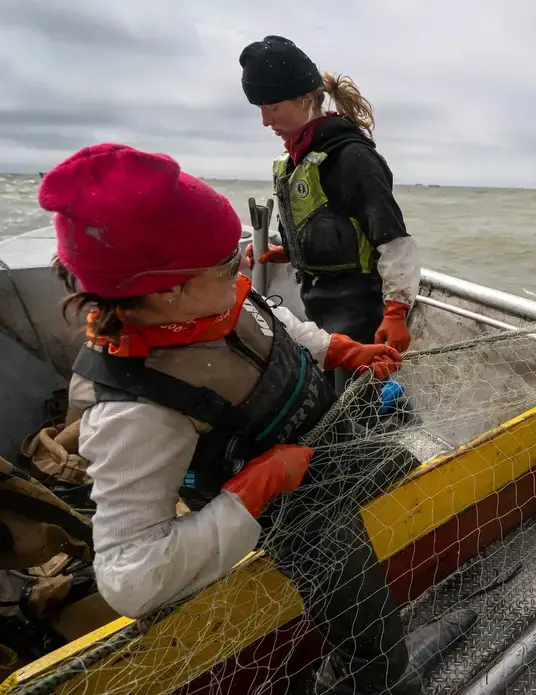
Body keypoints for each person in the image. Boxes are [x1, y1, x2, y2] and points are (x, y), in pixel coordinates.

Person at [38, 143, 471, 694]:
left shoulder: (214, 301)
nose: (243, 266)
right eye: (226, 263)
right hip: (285, 511)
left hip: (321, 442)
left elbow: (271, 322)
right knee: (371, 638)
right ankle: (362, 676)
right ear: (168, 290)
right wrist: (256, 486)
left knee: (400, 460)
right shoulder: (137, 413)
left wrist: (337, 347)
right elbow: (130, 575)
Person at [239, 35, 419, 393]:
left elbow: (395, 241)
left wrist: (396, 312)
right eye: (260, 108)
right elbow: (323, 221)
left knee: (358, 394)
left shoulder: (353, 158)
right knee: (328, 387)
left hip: (358, 303)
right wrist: (287, 252)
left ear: (306, 98)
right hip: (317, 298)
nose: (264, 120)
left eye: (272, 107)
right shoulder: (296, 160)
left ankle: (381, 429)